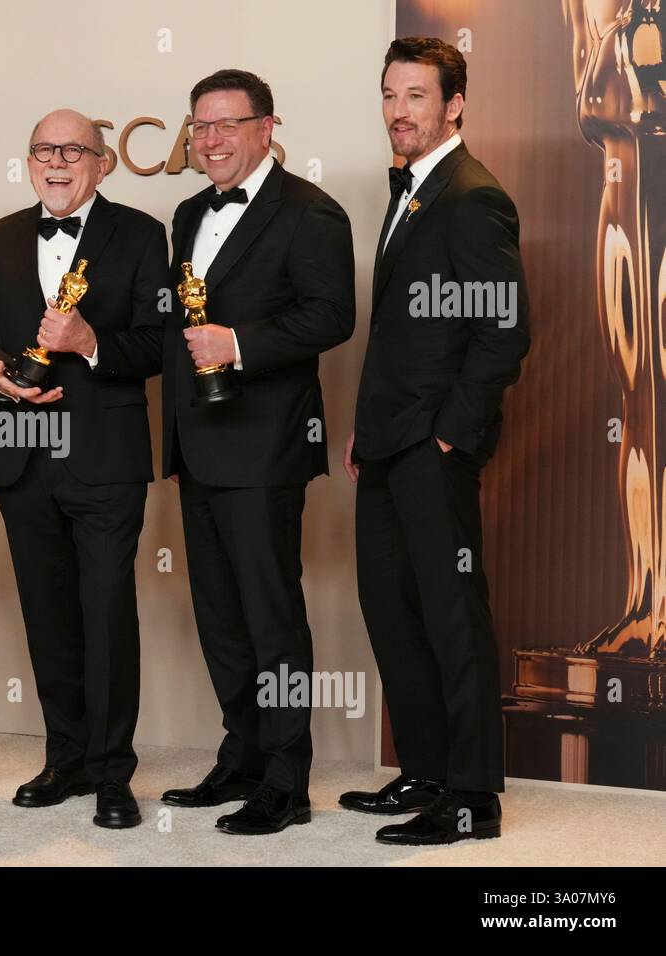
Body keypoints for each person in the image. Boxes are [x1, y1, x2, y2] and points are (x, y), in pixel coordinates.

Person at [340, 38, 529, 844]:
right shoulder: (416, 188)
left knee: (452, 618)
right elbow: (402, 335)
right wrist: (368, 427)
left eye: (416, 96)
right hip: (389, 439)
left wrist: (452, 436)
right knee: (392, 608)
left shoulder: (471, 195)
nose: (398, 111)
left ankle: (472, 798)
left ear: (453, 104)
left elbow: (503, 331)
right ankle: (423, 770)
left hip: (433, 446)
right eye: (390, 95)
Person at [158, 70, 355, 835]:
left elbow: (331, 316)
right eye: (199, 127)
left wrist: (239, 344)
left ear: (267, 128)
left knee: (271, 617)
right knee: (219, 616)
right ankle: (241, 751)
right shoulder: (184, 213)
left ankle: (285, 778)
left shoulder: (311, 212)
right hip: (196, 445)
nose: (209, 141)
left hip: (266, 446)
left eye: (226, 126)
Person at [0, 109, 166, 829]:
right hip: (20, 452)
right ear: (28, 161)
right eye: (44, 149)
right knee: (47, 616)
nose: (56, 161)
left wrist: (90, 341)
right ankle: (65, 757)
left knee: (106, 612)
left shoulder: (141, 235)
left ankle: (114, 773)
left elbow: (157, 344)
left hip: (104, 458)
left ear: (102, 162)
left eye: (73, 149)